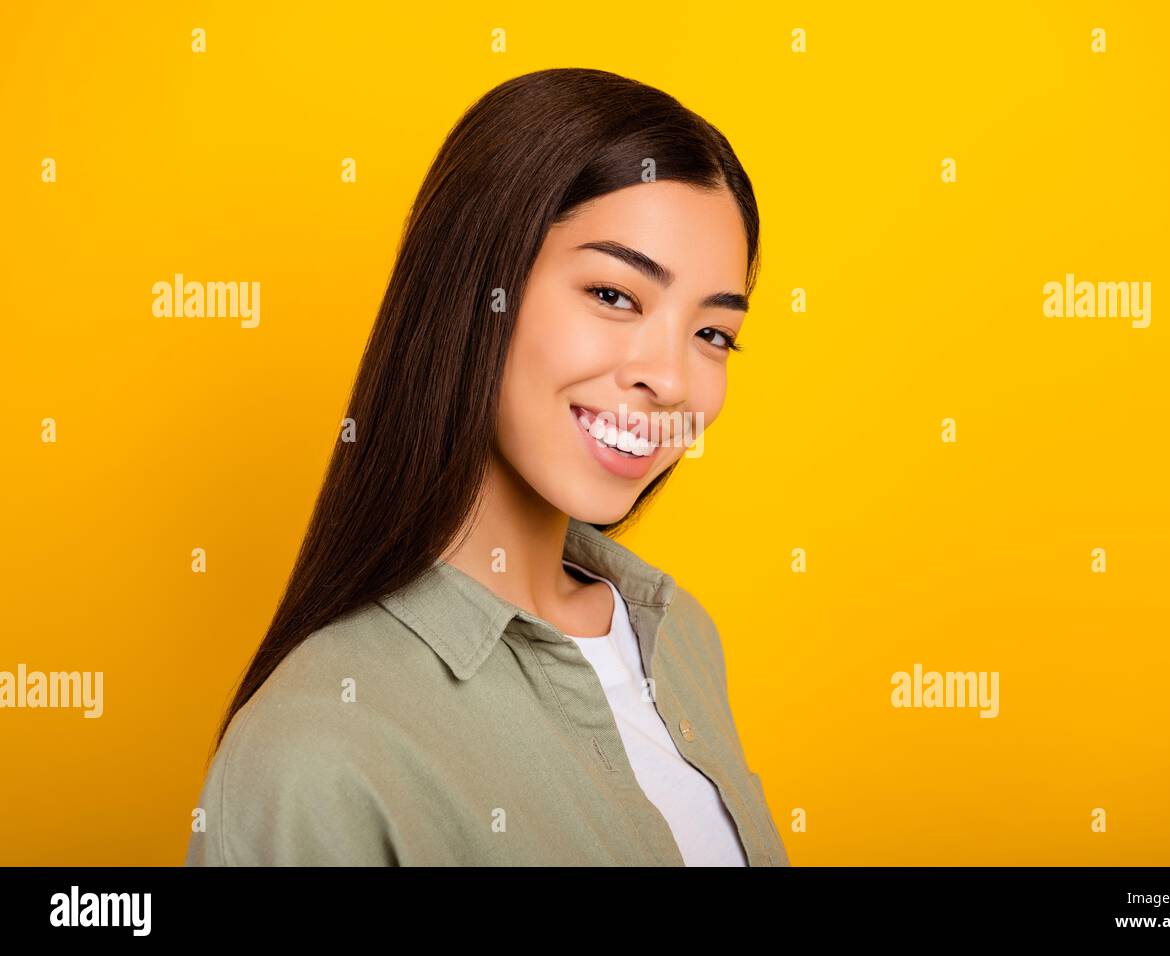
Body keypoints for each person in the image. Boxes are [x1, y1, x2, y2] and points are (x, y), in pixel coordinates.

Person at [184, 67, 789, 866]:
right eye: (614, 295)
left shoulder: (679, 639)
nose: (673, 381)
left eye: (712, 334)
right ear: (479, 286)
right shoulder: (314, 750)